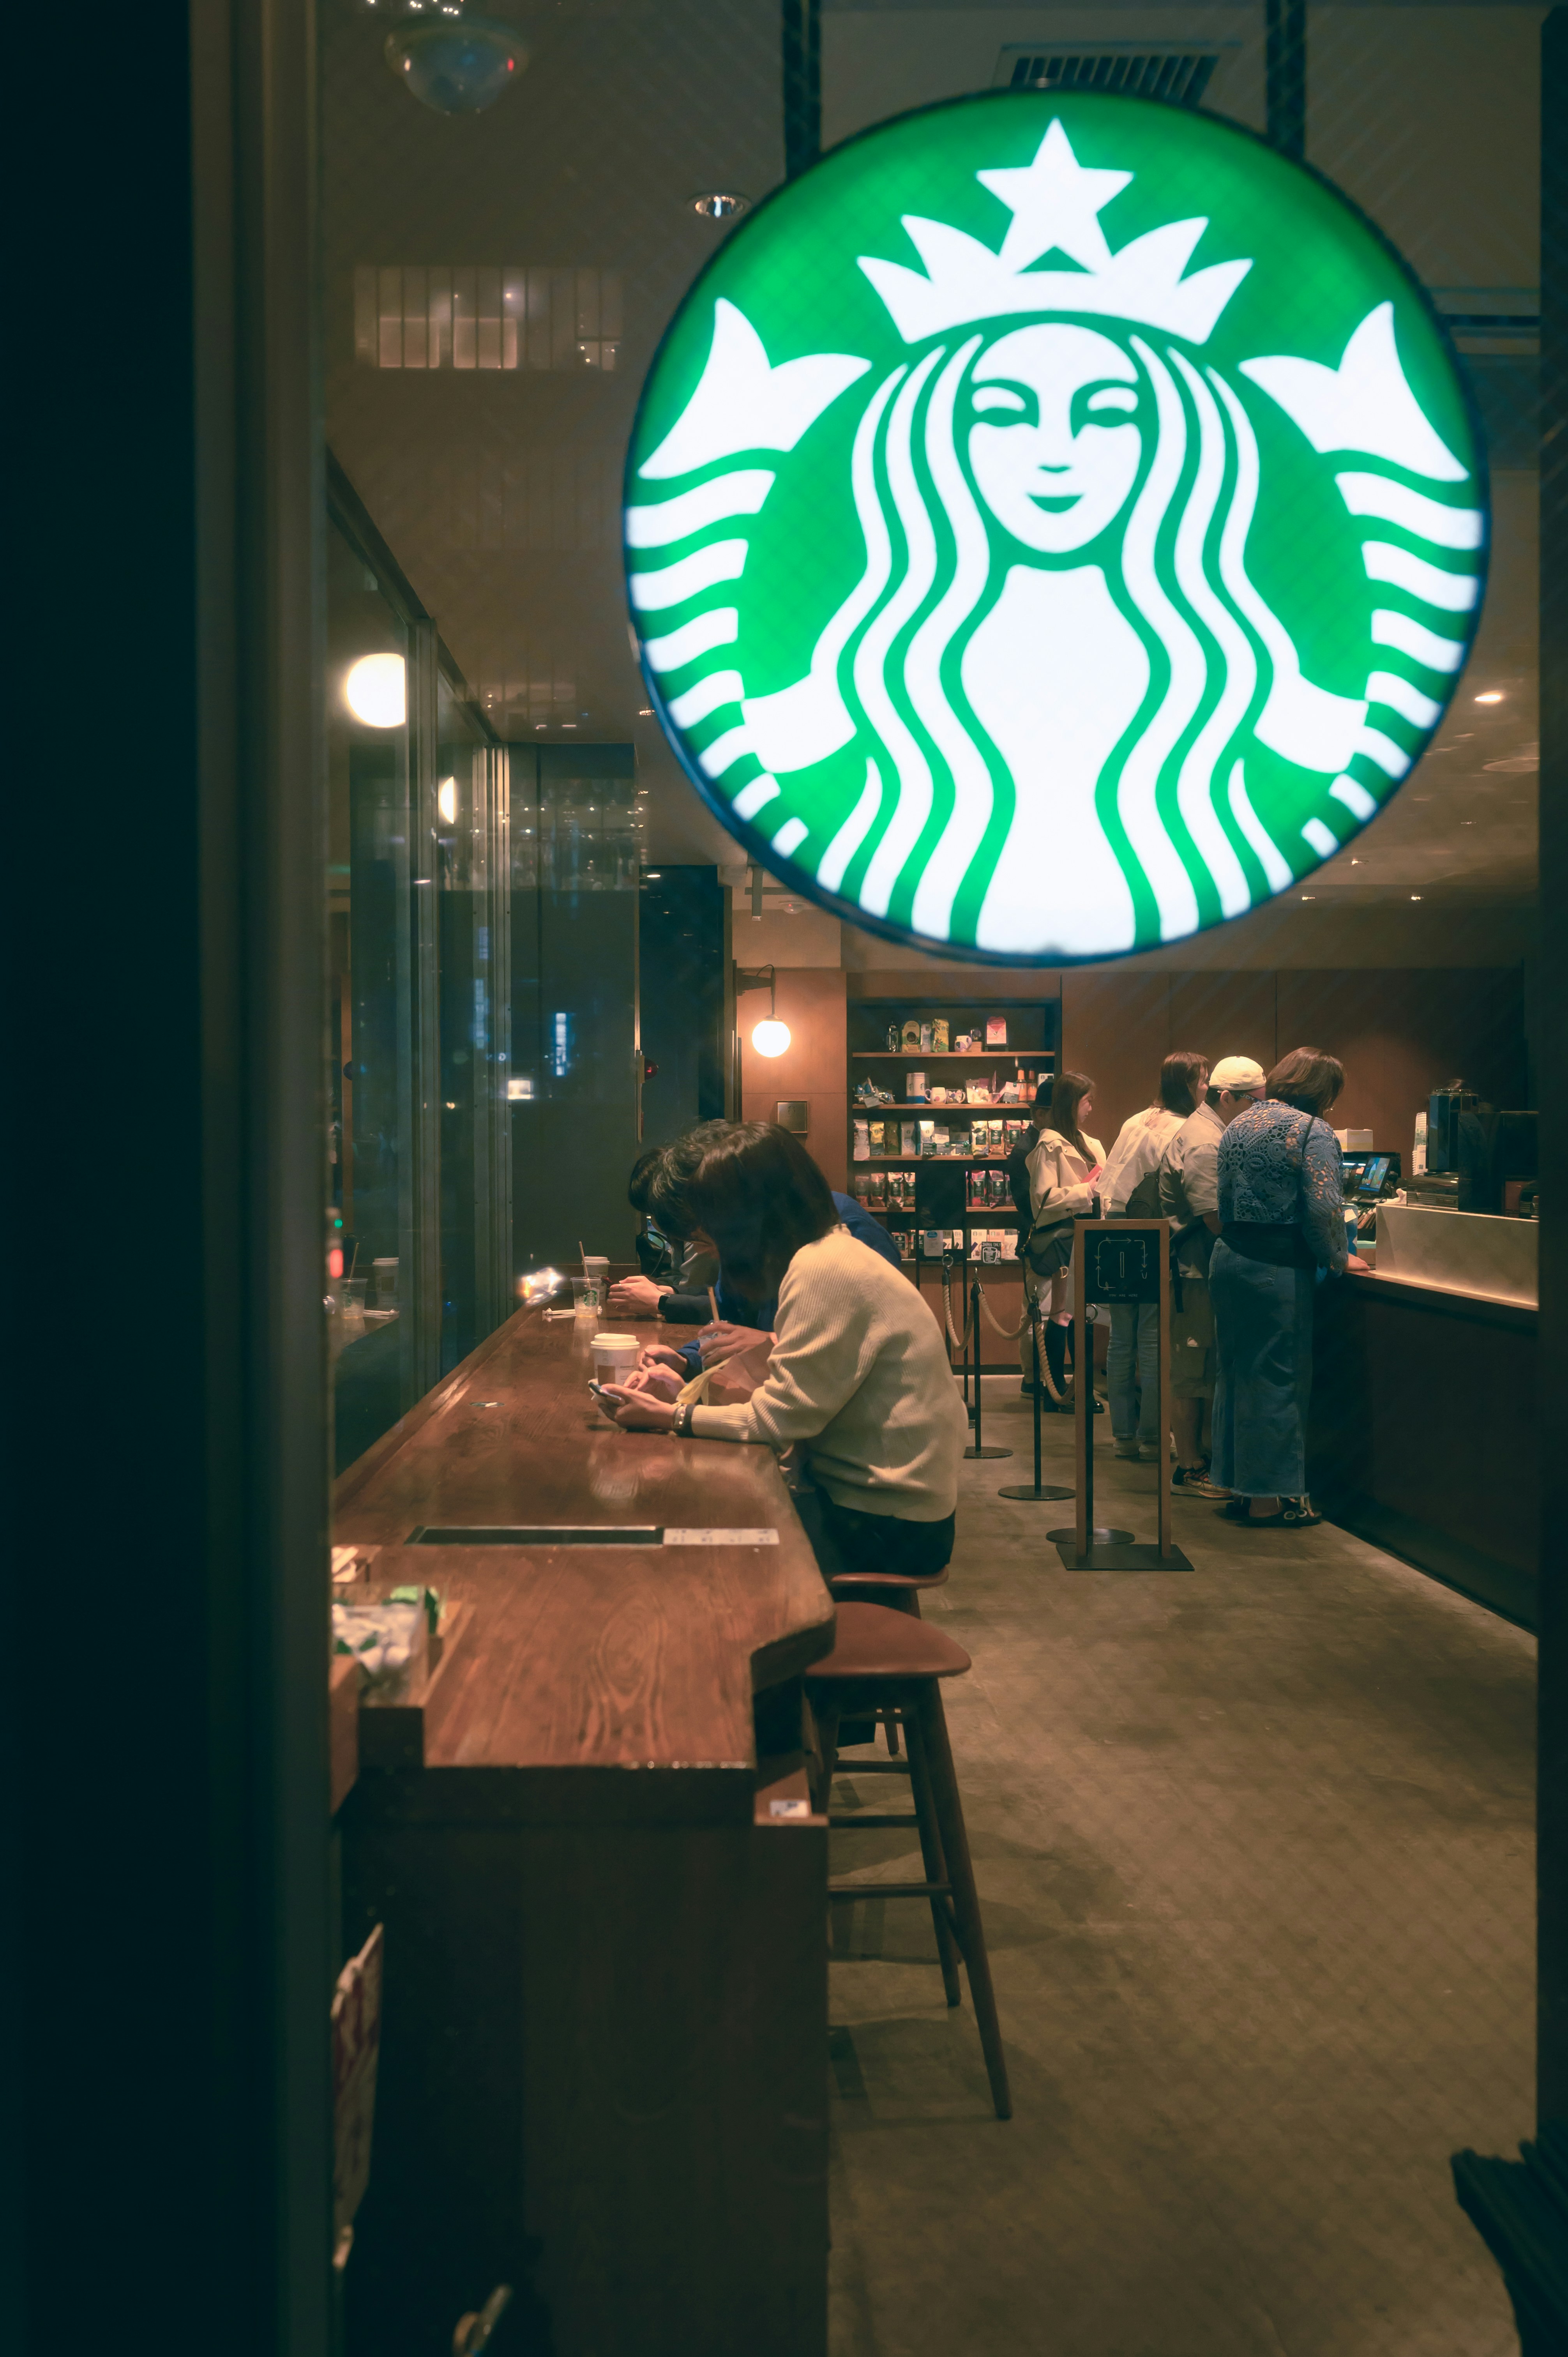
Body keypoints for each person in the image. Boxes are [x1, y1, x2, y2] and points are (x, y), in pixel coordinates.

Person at [600, 1123, 969, 1584]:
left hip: (888, 1526)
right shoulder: (825, 1252)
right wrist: (682, 1389)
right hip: (885, 1507)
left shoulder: (822, 1268)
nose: (708, 1240)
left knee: (711, 1543)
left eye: (710, 1224)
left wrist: (669, 1416)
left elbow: (775, 1422)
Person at [1209, 1048, 1370, 1527]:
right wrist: (1339, 1256)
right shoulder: (1310, 1130)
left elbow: (1224, 1197)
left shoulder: (1239, 1123)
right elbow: (1323, 1208)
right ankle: (1268, 1499)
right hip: (1274, 1268)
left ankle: (1235, 1485)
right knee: (1278, 1377)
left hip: (1229, 1258)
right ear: (1323, 1092)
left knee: (1235, 1374)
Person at [1158, 1055, 1267, 1501]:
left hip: (1201, 1269)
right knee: (1192, 1370)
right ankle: (1189, 1466)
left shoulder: (1214, 1131)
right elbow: (1215, 1218)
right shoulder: (1205, 1142)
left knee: (1203, 1369)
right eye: (1254, 1103)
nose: (1260, 1112)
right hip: (1194, 1271)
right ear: (1226, 1098)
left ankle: (1198, 1457)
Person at [1099, 1051, 1208, 1461]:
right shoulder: (1183, 1129)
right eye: (1202, 1080)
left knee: (1120, 1337)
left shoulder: (1135, 1120)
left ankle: (1122, 1434)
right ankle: (1151, 1436)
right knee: (1151, 1337)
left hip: (1111, 1235)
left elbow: (1110, 1183)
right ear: (1185, 1083)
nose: (1207, 1088)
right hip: (1151, 1236)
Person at [1022, 1071, 1105, 1412]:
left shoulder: (1089, 1142)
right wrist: (1086, 1192)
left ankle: (1076, 1391)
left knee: (1078, 1316)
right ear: (1071, 1103)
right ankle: (1058, 1391)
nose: (1090, 1108)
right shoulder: (1049, 1144)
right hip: (1064, 1243)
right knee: (1063, 1316)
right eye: (1086, 1102)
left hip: (1086, 1239)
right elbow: (1041, 1202)